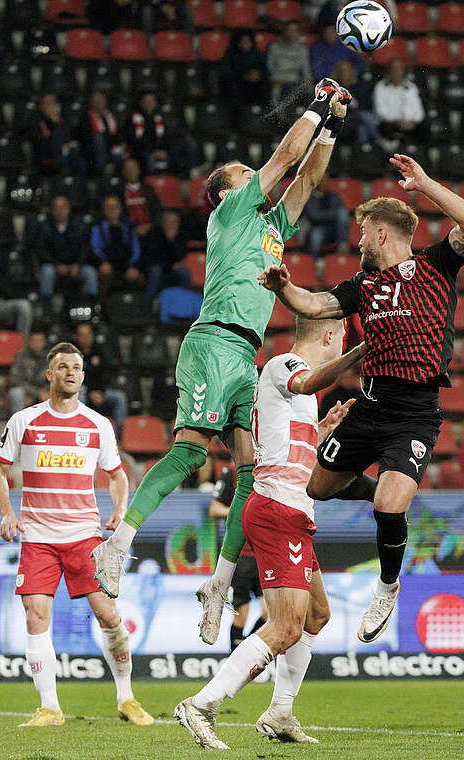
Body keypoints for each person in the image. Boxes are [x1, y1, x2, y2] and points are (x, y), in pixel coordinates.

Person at [91, 83, 350, 645]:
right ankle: (117, 545)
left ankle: (219, 583)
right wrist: (314, 102)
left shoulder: (271, 228)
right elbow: (285, 160)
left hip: (246, 356)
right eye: (242, 170)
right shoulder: (231, 213)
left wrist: (330, 124)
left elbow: (306, 177)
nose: (251, 172)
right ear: (227, 190)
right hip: (212, 342)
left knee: (250, 474)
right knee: (188, 453)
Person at [259, 153, 464, 645]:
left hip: (415, 413)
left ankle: (387, 585)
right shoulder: (363, 286)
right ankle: (383, 481)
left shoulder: (435, 265)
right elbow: (313, 305)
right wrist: (285, 287)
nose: (358, 240)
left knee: (388, 503)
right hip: (370, 406)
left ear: (382, 234)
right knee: (316, 487)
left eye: (363, 232)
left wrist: (424, 183)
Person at [175, 316, 362, 749]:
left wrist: (321, 432)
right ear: (332, 336)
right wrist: (359, 355)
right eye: (344, 341)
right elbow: (304, 382)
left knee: (316, 615)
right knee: (284, 627)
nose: (343, 346)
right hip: (278, 511)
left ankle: (279, 712)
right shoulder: (284, 366)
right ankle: (202, 704)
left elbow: (287, 450)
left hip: (293, 511)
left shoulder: (306, 397)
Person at [0, 342, 154, 728]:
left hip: (84, 536)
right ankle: (49, 708)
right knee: (36, 615)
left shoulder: (97, 425)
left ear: (83, 374)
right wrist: (7, 512)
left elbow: (117, 475)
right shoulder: (24, 422)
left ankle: (126, 699)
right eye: (62, 367)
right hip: (38, 538)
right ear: (49, 374)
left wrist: (120, 508)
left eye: (76, 367)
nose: (71, 373)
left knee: (109, 615)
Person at [204, 466, 263, 653]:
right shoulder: (232, 472)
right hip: (240, 558)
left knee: (270, 614)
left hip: (265, 555)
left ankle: (248, 654)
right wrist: (244, 514)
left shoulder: (271, 470)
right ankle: (237, 663)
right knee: (241, 616)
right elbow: (215, 509)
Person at [35, 195, 98, 300]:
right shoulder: (44, 227)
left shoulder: (80, 226)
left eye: (63, 207)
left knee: (90, 273)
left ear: (68, 209)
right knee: (47, 272)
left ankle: (91, 305)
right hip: (54, 266)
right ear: (52, 211)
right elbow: (42, 251)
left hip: (76, 266)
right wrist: (57, 265)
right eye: (56, 208)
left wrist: (78, 264)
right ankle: (46, 308)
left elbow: (85, 248)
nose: (60, 211)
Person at [73, 322, 128, 434]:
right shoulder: (73, 354)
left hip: (100, 391)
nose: (85, 338)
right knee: (80, 394)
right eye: (82, 335)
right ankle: (80, 431)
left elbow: (106, 374)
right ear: (77, 337)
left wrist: (100, 392)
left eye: (88, 335)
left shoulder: (100, 350)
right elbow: (75, 377)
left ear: (92, 335)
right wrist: (90, 392)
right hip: (83, 391)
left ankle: (119, 437)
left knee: (120, 397)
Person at [126, 91, 197, 175]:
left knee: (188, 144)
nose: (150, 103)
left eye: (152, 100)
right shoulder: (134, 118)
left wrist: (165, 151)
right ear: (142, 103)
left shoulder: (159, 117)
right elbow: (135, 141)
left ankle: (191, 173)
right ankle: (150, 181)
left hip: (162, 150)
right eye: (147, 100)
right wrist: (155, 152)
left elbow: (167, 137)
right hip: (143, 151)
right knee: (148, 157)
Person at [91, 195, 144, 297]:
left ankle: (132, 307)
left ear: (120, 209)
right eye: (108, 207)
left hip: (126, 264)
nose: (111, 210)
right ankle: (102, 307)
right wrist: (102, 262)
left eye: (114, 207)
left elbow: (136, 249)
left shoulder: (129, 226)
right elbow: (95, 248)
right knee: (104, 273)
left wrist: (132, 266)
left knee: (137, 277)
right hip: (107, 264)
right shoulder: (97, 226)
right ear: (103, 209)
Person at [30, 92, 86, 175]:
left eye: (53, 102)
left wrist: (58, 123)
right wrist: (54, 124)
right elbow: (40, 141)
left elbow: (70, 137)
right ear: (41, 106)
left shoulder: (63, 119)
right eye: (47, 103)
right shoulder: (36, 121)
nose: (51, 106)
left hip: (66, 154)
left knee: (79, 161)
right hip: (47, 155)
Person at [372, 58, 424, 139]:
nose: (397, 72)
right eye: (394, 69)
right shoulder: (381, 87)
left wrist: (413, 122)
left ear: (404, 71)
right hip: (390, 123)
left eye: (399, 69)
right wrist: (396, 121)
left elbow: (419, 111)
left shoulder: (411, 87)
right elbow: (380, 111)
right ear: (389, 71)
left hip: (409, 124)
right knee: (386, 127)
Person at [79, 90, 126, 176]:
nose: (98, 102)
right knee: (98, 137)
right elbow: (86, 138)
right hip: (93, 153)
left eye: (100, 99)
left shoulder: (112, 116)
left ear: (105, 101)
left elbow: (118, 135)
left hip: (112, 151)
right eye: (95, 100)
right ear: (91, 103)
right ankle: (100, 175)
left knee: (121, 155)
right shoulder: (85, 118)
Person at [266, 21, 312, 102]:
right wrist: (275, 78)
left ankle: (305, 112)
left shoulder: (302, 49)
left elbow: (306, 69)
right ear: (284, 32)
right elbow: (269, 67)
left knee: (310, 87)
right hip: (277, 79)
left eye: (294, 31)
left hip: (295, 80)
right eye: (289, 30)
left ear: (298, 33)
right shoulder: (274, 47)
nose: (291, 33)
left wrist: (308, 81)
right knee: (275, 88)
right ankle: (276, 112)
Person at [300, 184, 350, 257]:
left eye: (326, 179)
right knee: (316, 236)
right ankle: (314, 261)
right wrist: (332, 215)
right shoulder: (309, 198)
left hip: (335, 228)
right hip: (317, 227)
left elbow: (340, 211)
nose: (324, 182)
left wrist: (327, 215)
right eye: (322, 179)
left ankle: (342, 244)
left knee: (343, 212)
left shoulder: (334, 196)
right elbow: (314, 217)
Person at [7, 331, 49, 413]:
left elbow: (54, 379)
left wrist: (46, 393)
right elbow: (15, 380)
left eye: (39, 341)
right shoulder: (21, 356)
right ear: (29, 342)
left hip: (45, 391)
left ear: (44, 343)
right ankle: (18, 423)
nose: (37, 344)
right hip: (26, 391)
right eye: (34, 341)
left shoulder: (50, 358)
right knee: (16, 392)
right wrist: (36, 393)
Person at [118, 158, 161, 237]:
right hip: (129, 232)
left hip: (151, 230)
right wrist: (133, 228)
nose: (131, 171)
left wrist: (151, 226)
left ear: (139, 170)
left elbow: (157, 210)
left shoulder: (148, 189)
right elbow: (118, 215)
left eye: (133, 168)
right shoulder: (119, 191)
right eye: (128, 169)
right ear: (123, 172)